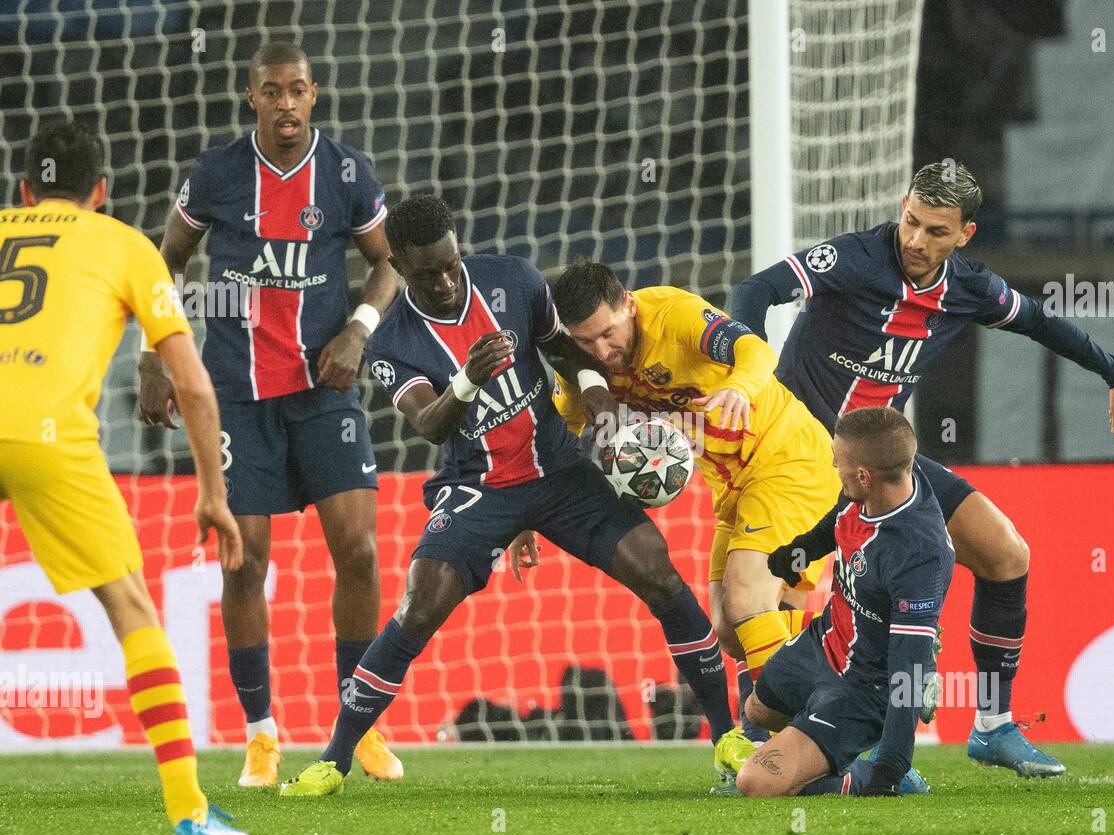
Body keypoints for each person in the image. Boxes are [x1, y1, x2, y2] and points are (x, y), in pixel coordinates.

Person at [279, 195, 735, 796]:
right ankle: (333, 761)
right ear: (395, 263)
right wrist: (467, 378)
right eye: (425, 273)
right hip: (480, 485)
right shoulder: (391, 342)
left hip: (561, 470)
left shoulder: (513, 279)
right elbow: (431, 426)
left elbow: (562, 350)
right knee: (420, 603)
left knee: (660, 573)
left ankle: (729, 736)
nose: (444, 282)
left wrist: (597, 394)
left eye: (450, 264)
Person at [726, 161, 1114, 776]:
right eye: (911, 222)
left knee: (1007, 556)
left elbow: (1042, 323)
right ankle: (776, 740)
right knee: (783, 591)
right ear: (902, 208)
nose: (917, 241)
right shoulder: (854, 259)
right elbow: (753, 291)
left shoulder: (969, 289)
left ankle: (992, 725)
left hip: (884, 464)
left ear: (965, 234)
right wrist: (753, 372)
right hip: (803, 454)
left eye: (936, 231)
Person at [137, 42, 403, 786]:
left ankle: (361, 722)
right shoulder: (216, 173)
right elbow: (166, 263)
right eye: (271, 91)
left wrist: (358, 329)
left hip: (323, 389)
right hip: (235, 392)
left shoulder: (348, 173)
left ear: (315, 95)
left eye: (298, 90)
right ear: (250, 98)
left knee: (359, 551)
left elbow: (388, 261)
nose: (286, 103)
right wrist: (154, 357)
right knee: (245, 559)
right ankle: (260, 734)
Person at [0, 121, 248, 835]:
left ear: (22, 190)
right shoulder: (126, 245)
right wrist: (213, 492)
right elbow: (194, 388)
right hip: (47, 437)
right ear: (102, 192)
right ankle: (188, 811)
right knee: (128, 603)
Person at [544, 261, 843, 786]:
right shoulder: (588, 366)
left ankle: (797, 747)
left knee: (748, 600)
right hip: (732, 487)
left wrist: (741, 390)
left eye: (608, 334)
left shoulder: (675, 315)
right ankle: (852, 680)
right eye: (585, 342)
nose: (600, 352)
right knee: (733, 630)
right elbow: (562, 427)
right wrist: (528, 507)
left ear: (628, 305)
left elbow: (754, 349)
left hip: (787, 460)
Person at [738, 407, 954, 798]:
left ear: (863, 476)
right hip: (826, 639)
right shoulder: (876, 484)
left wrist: (893, 762)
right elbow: (837, 520)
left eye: (838, 461)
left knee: (756, 783)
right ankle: (834, 745)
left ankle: (869, 770)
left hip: (867, 686)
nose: (833, 464)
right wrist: (800, 551)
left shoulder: (919, 554)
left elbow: (907, 666)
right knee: (758, 709)